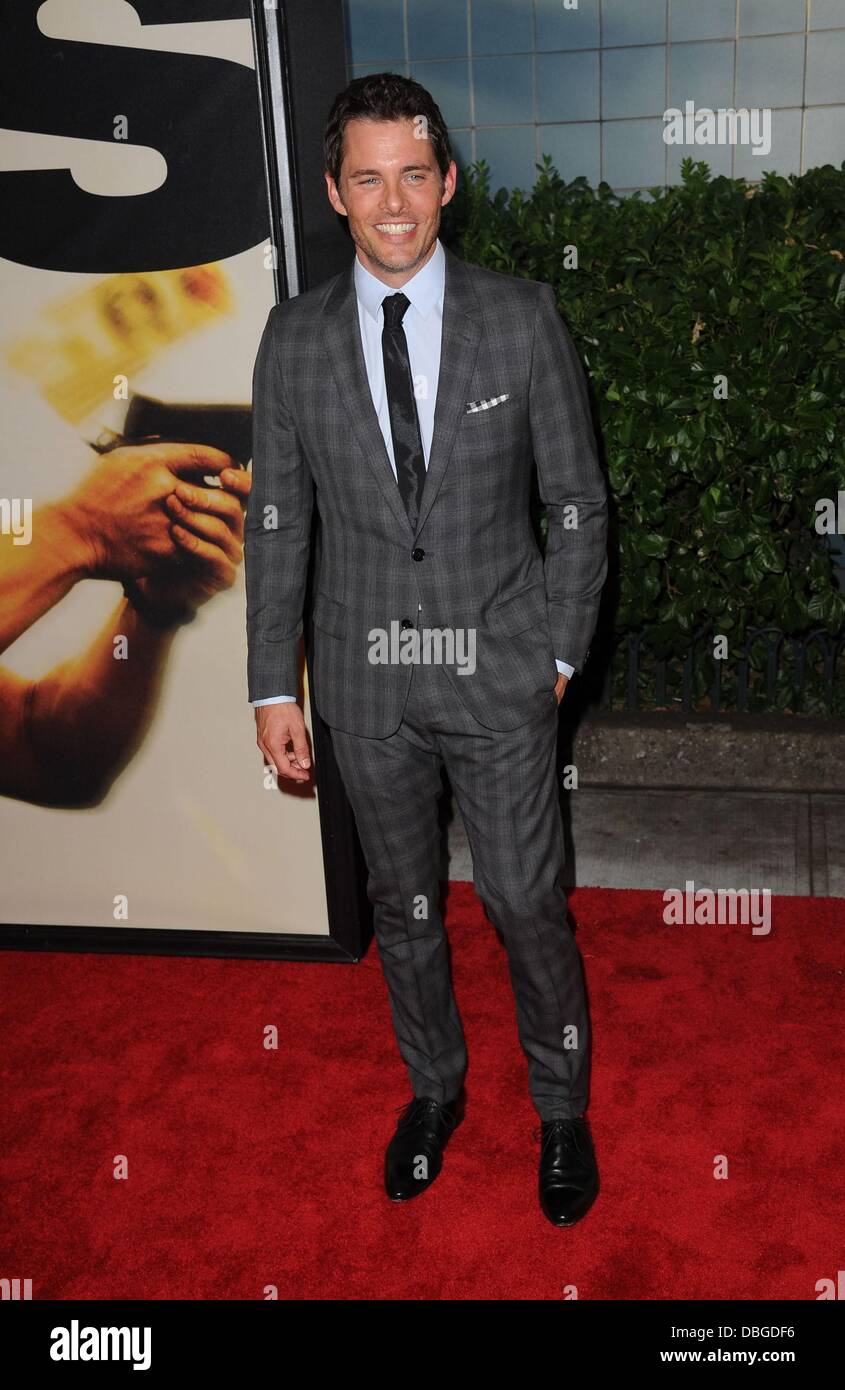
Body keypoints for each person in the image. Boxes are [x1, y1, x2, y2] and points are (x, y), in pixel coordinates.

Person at [245, 73, 608, 1227]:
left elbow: (576, 505)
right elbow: (279, 520)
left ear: (446, 182)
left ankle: (560, 1109)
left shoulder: (521, 314)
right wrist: (270, 681)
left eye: (414, 174)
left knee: (521, 898)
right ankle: (434, 1092)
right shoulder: (292, 338)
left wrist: (556, 653)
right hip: (361, 683)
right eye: (367, 177)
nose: (393, 201)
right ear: (332, 193)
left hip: (500, 668)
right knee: (403, 908)